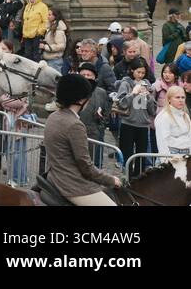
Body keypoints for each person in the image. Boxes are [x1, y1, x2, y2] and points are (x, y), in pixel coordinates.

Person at [44, 73, 122, 205]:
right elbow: (86, 167)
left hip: (53, 177)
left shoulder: (54, 116)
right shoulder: (75, 124)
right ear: (81, 100)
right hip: (71, 184)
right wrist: (111, 180)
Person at [115, 59, 156, 174]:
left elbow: (152, 110)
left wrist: (148, 97)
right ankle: (126, 178)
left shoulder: (147, 84)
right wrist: (133, 93)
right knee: (127, 154)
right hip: (128, 123)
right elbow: (122, 104)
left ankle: (138, 180)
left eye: (143, 73)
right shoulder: (126, 83)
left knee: (141, 156)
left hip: (143, 125)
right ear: (132, 70)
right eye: (138, 72)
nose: (140, 75)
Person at [153, 85, 191, 156]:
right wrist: (166, 162)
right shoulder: (163, 116)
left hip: (187, 156)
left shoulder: (185, 116)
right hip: (171, 156)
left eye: (183, 97)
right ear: (169, 99)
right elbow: (162, 142)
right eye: (177, 97)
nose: (181, 100)